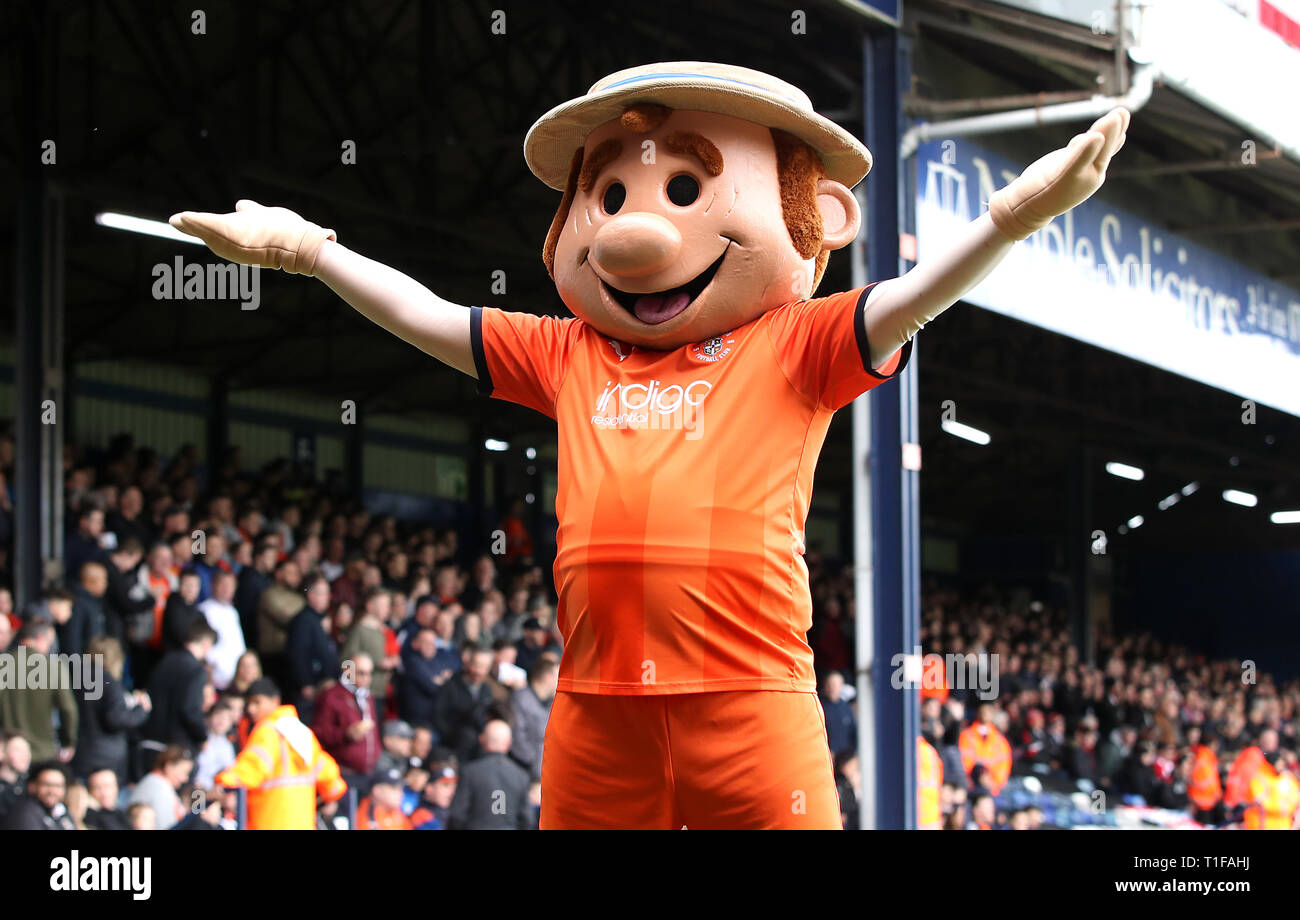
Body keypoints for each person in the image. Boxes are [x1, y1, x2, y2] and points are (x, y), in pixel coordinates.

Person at [171, 62, 1128, 828]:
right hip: (596, 716)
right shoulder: (568, 350)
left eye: (680, 187)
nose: (638, 228)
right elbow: (425, 313)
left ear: (818, 217)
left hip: (753, 709)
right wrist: (310, 250)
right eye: (614, 191)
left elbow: (914, 296)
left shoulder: (796, 345)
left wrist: (1012, 220)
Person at [215, 678, 347, 830]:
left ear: (275, 701)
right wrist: (330, 798)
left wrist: (221, 783)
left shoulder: (267, 731)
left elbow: (250, 769)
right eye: (249, 703)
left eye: (257, 702)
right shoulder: (302, 732)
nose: (251, 709)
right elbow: (331, 779)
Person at [71, 636, 151, 785]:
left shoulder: (77, 678)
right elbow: (116, 719)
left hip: (80, 751)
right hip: (105, 757)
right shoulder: (109, 681)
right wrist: (142, 710)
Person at [140, 621, 217, 769]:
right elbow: (190, 709)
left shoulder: (164, 661)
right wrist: (203, 736)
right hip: (177, 751)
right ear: (206, 643)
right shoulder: (196, 669)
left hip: (151, 742)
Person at [0, 620, 78, 763]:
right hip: (43, 753)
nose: (49, 648)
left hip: (8, 753)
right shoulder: (53, 668)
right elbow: (68, 709)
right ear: (41, 639)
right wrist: (68, 743)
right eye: (50, 642)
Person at [447, 720, 531, 830]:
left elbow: (456, 817)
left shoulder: (470, 772)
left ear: (482, 740)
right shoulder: (521, 776)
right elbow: (527, 820)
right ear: (509, 742)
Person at [312, 652, 381, 781]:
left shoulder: (367, 697)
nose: (367, 678)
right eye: (361, 673)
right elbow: (318, 733)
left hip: (367, 772)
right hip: (342, 772)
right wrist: (346, 734)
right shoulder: (331, 696)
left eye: (369, 673)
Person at [284, 573, 338, 720]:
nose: (328, 597)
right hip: (309, 690)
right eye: (323, 593)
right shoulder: (303, 620)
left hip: (323, 686)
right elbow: (297, 653)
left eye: (328, 592)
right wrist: (305, 683)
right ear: (311, 595)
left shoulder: (318, 619)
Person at [434, 646, 496, 762]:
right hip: (454, 747)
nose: (479, 671)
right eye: (476, 665)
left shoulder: (486, 690)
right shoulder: (450, 686)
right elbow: (439, 717)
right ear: (468, 664)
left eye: (484, 667)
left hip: (479, 749)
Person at [510, 657, 558, 781]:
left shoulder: (552, 703)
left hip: (547, 774)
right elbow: (517, 736)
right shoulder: (520, 699)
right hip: (524, 773)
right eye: (557, 677)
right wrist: (533, 762)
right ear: (547, 677)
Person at [199, 569, 247, 691]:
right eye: (223, 584)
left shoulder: (232, 611)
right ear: (213, 585)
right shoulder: (205, 610)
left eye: (230, 585)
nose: (226, 589)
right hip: (216, 679)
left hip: (236, 678)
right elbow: (204, 647)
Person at [128, 745, 194, 830]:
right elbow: (165, 825)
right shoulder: (157, 786)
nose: (185, 779)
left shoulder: (162, 784)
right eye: (184, 772)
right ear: (169, 767)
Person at [958, 703, 1013, 796]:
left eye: (989, 713)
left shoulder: (1000, 740)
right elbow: (962, 760)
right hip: (970, 785)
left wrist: (994, 784)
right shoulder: (966, 735)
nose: (986, 715)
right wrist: (967, 779)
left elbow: (1004, 765)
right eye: (983, 712)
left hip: (991, 789)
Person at [2, 761, 76, 830]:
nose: (52, 791)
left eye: (58, 786)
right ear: (32, 786)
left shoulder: (61, 811)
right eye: (46, 785)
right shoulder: (25, 814)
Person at [162, 567, 207, 653]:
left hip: (190, 657)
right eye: (187, 584)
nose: (190, 589)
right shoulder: (173, 603)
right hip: (174, 656)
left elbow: (210, 634)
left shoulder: (197, 610)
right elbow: (180, 633)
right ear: (179, 585)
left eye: (194, 585)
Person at [355, 765, 413, 830]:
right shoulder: (362, 814)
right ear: (377, 791)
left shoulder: (398, 814)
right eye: (394, 788)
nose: (401, 794)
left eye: (400, 789)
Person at [411, 760, 458, 830]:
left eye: (454, 787)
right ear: (429, 788)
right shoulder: (421, 815)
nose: (452, 792)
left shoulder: (453, 811)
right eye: (446, 786)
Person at [820, 671, 855, 756]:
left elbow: (852, 733)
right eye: (830, 684)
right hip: (825, 756)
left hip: (844, 759)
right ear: (825, 686)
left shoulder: (846, 708)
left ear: (841, 686)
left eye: (835, 685)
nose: (832, 688)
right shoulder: (819, 707)